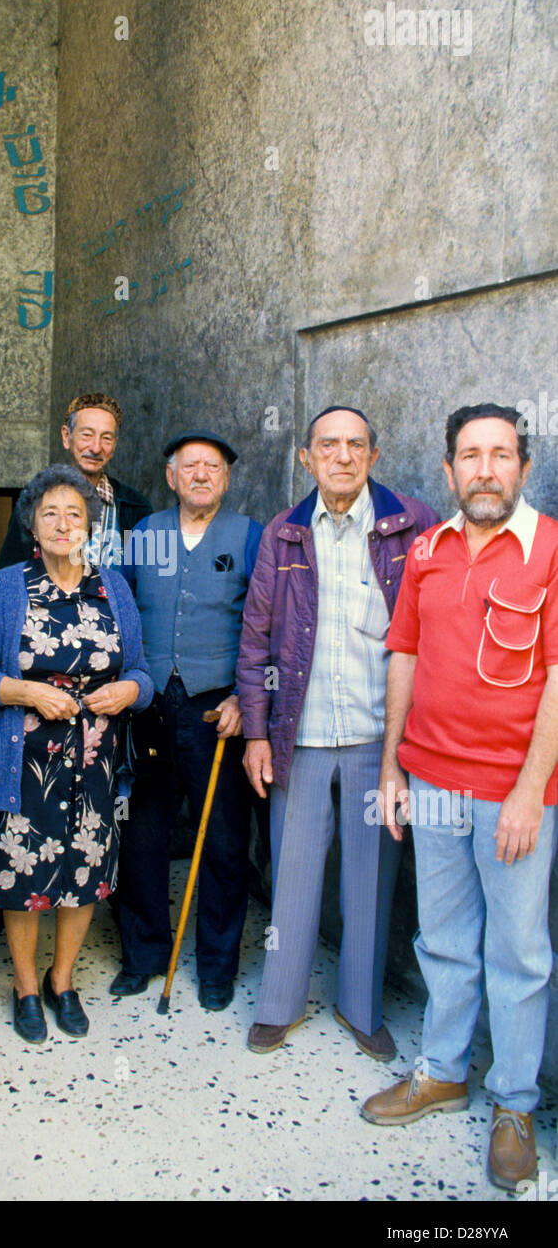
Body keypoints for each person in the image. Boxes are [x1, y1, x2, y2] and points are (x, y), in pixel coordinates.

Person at [362, 403, 558, 1192]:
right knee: (441, 939)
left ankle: (512, 1105)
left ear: (522, 466)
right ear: (447, 472)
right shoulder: (426, 552)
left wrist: (527, 791)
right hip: (430, 783)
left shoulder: (549, 548)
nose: (485, 469)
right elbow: (402, 657)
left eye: (500, 454)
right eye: (470, 456)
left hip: (516, 797)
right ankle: (441, 1071)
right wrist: (390, 769)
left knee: (517, 955)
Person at [237, 407, 438, 1060]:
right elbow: (256, 640)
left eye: (355, 445)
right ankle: (279, 1003)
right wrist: (256, 734)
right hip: (300, 733)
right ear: (306, 458)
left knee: (370, 883)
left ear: (373, 456)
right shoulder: (284, 533)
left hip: (380, 742)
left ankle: (360, 1006)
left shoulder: (412, 525)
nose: (342, 456)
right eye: (328, 445)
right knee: (292, 878)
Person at [0, 464, 153, 1042]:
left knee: (84, 874)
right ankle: (24, 986)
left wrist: (131, 691)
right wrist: (24, 692)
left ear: (91, 525)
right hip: (21, 763)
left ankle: (61, 981)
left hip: (94, 766)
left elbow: (139, 671)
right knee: (22, 879)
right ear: (32, 526)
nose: (64, 524)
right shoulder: (7, 588)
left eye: (75, 514)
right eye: (51, 514)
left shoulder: (113, 587)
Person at [114, 430, 263, 1010]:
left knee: (225, 843)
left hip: (217, 711)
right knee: (143, 835)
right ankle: (144, 955)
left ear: (226, 478)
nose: (201, 474)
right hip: (149, 707)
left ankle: (218, 968)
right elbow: (120, 614)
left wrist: (245, 702)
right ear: (171, 476)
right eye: (189, 466)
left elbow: (268, 625)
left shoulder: (249, 536)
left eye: (213, 466)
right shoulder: (145, 535)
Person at [0, 393, 151, 569]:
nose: (96, 447)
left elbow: (144, 581)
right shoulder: (35, 500)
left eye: (106, 438)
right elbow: (9, 577)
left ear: (114, 445)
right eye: (87, 435)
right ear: (66, 436)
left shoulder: (137, 508)